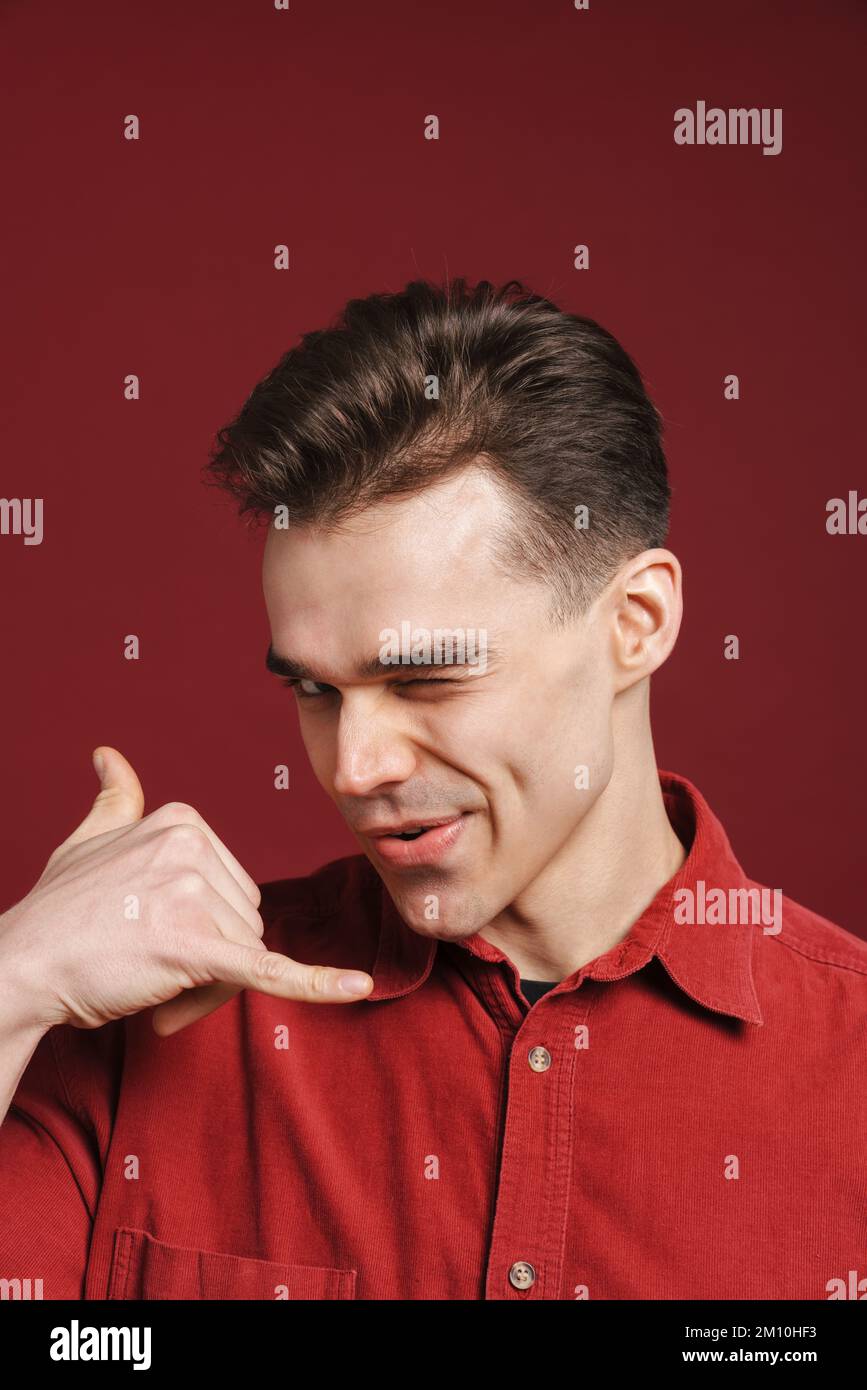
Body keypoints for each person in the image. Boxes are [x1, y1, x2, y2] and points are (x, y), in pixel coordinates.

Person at [1, 279, 864, 1301]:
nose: (355, 767)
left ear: (635, 623)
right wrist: (15, 975)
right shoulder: (140, 1023)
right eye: (315, 689)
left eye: (425, 679)